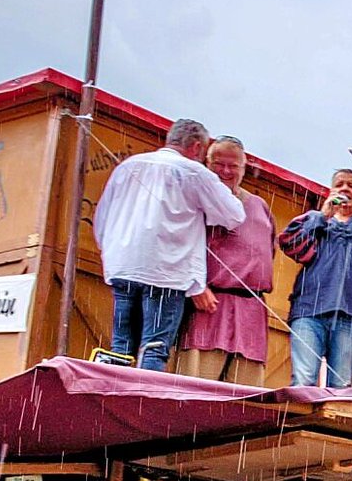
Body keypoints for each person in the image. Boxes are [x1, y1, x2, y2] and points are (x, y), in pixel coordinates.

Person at [92, 118, 248, 369]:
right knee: (154, 347)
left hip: (122, 265)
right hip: (165, 271)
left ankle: (111, 395)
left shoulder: (128, 166)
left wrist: (110, 255)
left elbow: (102, 218)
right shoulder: (192, 171)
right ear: (197, 146)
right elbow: (233, 215)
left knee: (120, 345)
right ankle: (143, 401)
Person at [278, 156, 352, 389]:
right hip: (309, 311)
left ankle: (326, 427)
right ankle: (299, 425)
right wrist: (322, 217)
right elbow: (289, 243)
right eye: (339, 184)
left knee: (340, 386)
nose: (345, 189)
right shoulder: (314, 220)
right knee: (303, 380)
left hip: (350, 315)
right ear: (330, 191)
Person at [175, 135, 275, 384]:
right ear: (207, 163)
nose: (226, 171)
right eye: (219, 164)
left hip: (251, 311)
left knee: (244, 400)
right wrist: (195, 284)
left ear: (244, 168)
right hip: (209, 304)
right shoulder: (196, 201)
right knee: (196, 389)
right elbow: (178, 246)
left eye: (233, 166)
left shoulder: (259, 206)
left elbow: (269, 251)